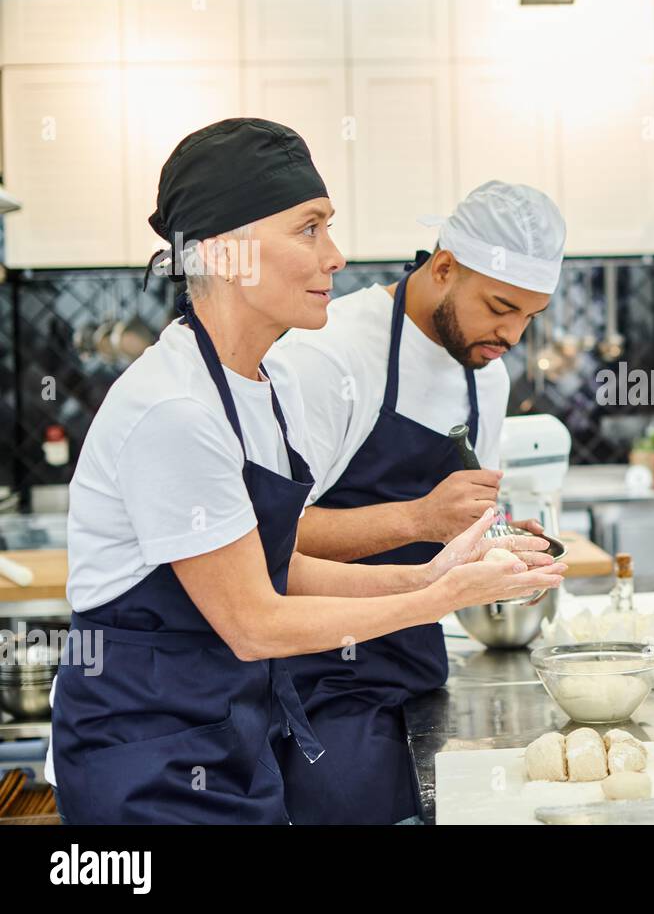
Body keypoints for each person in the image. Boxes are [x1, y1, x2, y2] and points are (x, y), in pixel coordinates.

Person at [47, 119, 564, 824]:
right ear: (227, 254)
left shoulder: (253, 389)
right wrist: (441, 595)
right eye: (309, 229)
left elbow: (277, 564)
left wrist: (435, 573)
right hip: (147, 762)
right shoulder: (175, 409)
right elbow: (254, 622)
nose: (338, 256)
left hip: (233, 737)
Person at [264, 181, 564, 824]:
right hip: (321, 679)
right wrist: (418, 518)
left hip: (418, 667)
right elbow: (265, 542)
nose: (511, 334)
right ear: (445, 267)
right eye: (500, 306)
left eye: (530, 317)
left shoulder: (489, 370)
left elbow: (455, 528)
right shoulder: (330, 354)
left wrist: (499, 557)